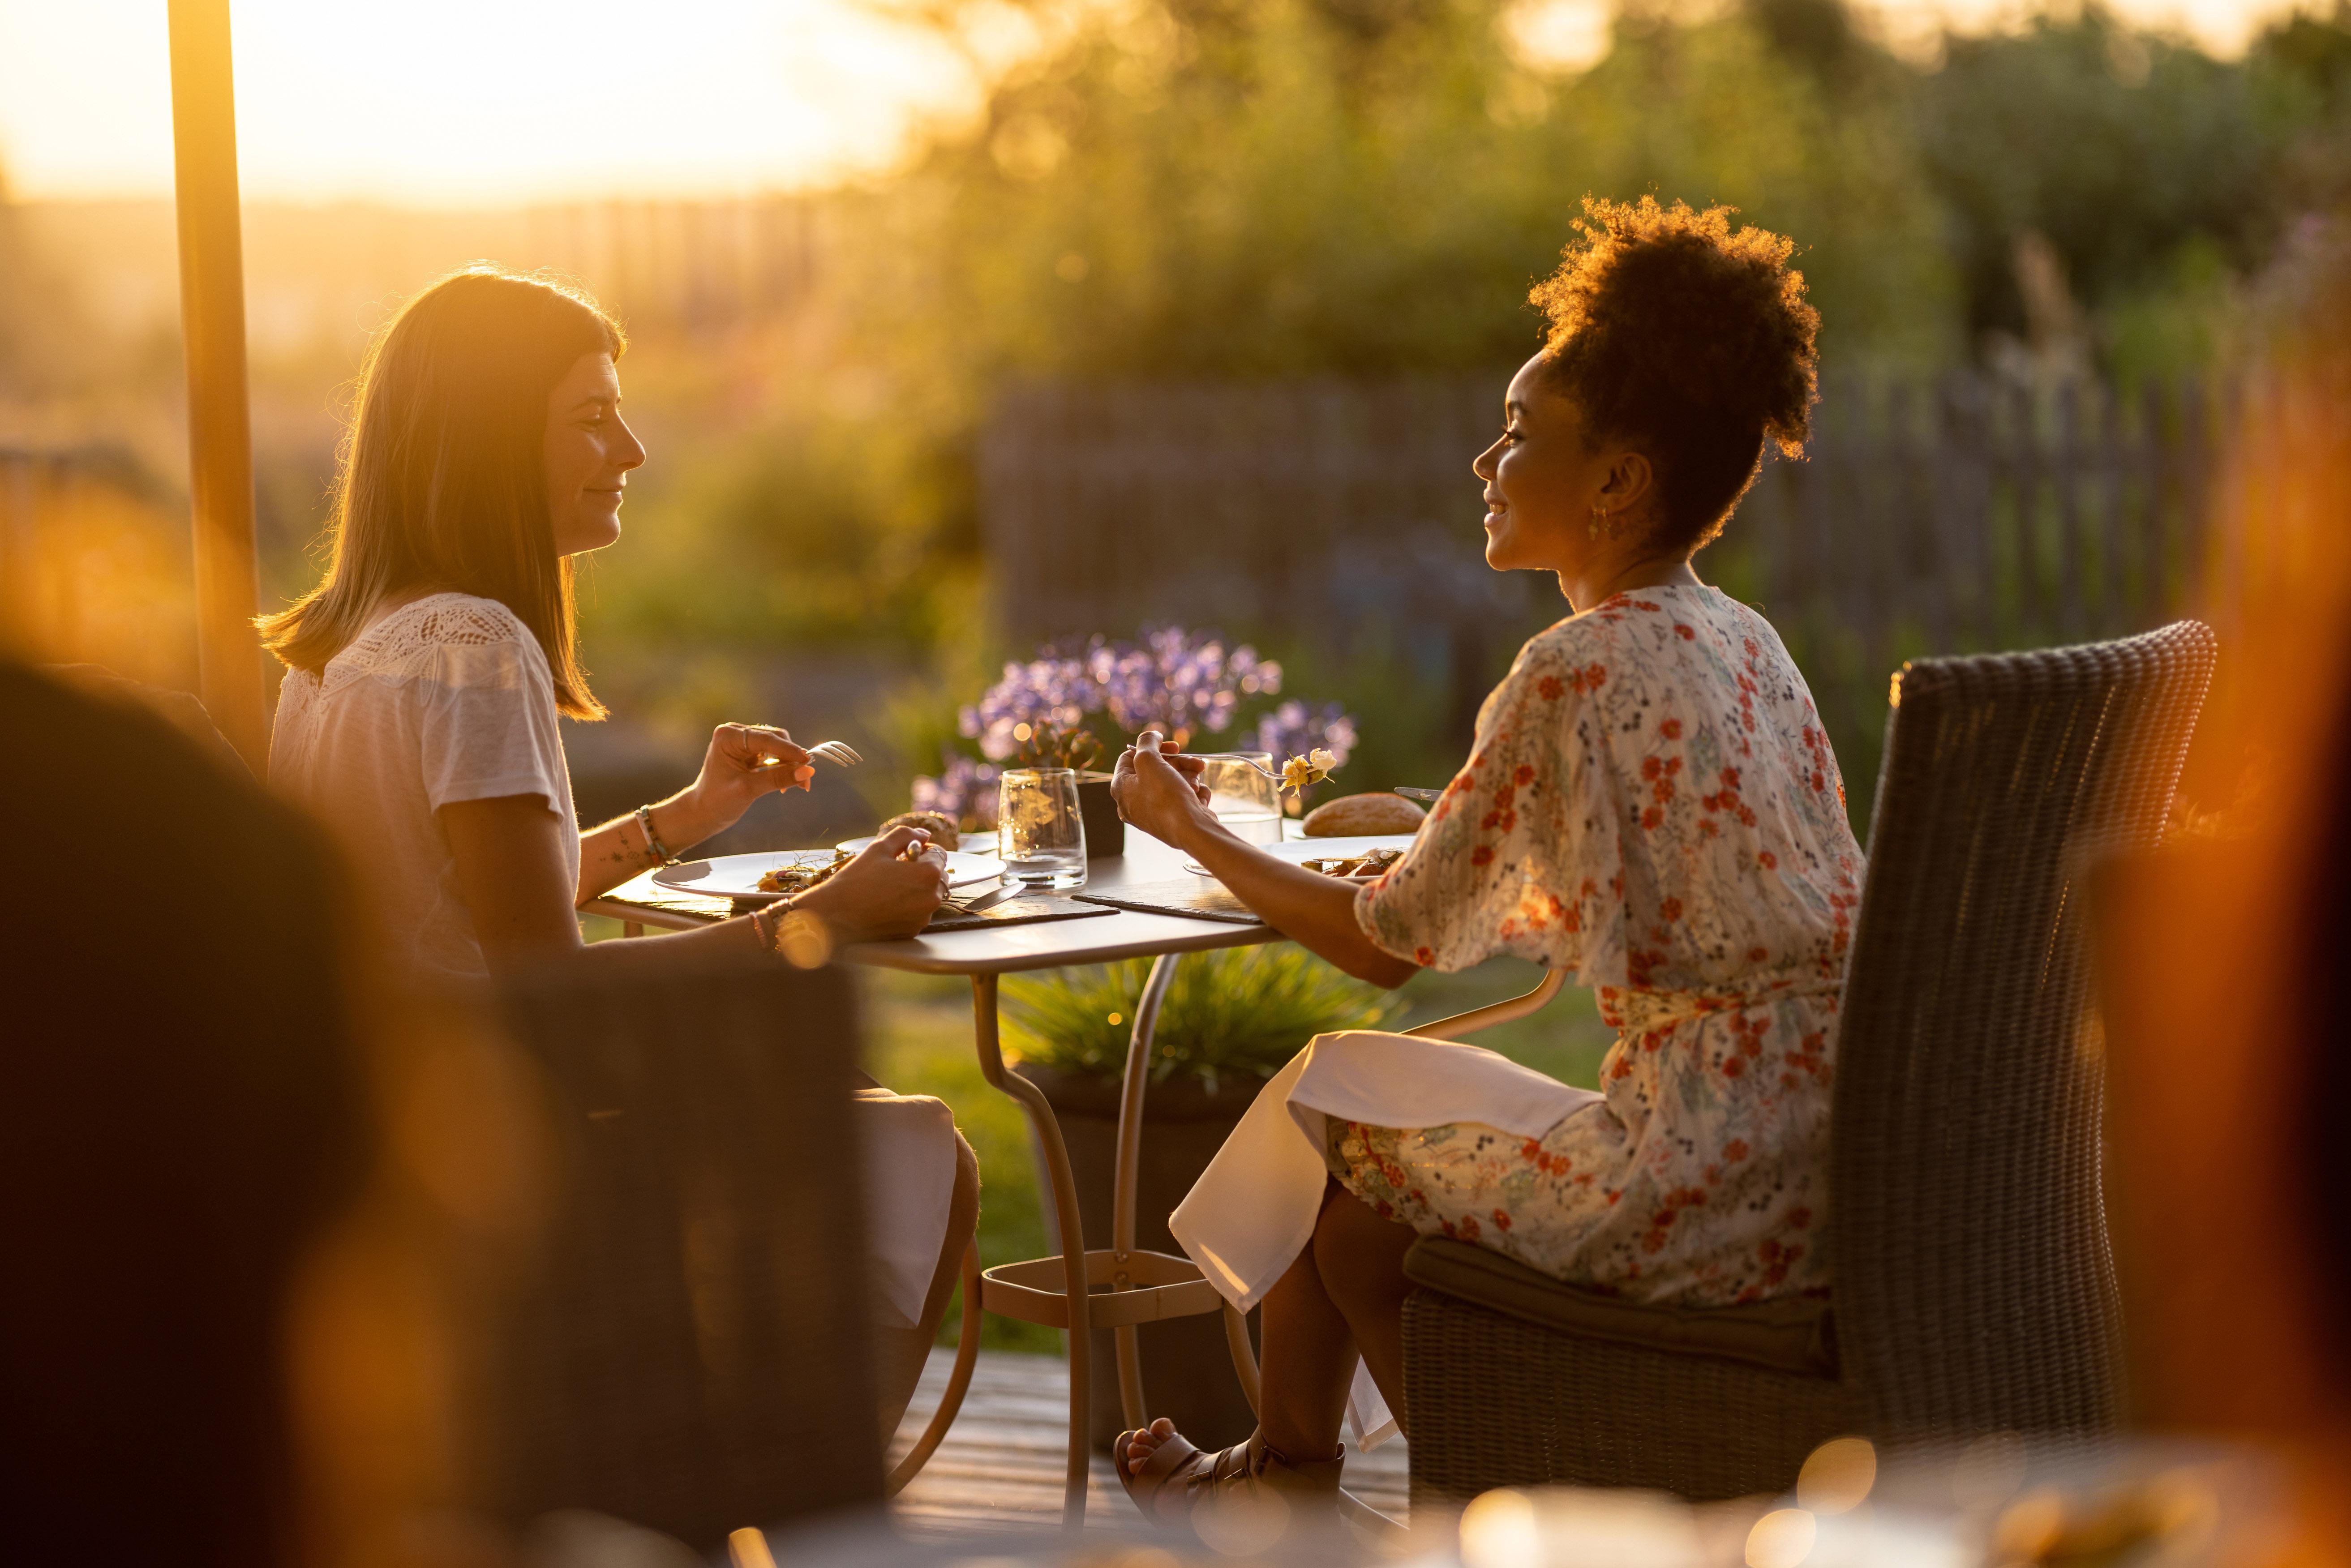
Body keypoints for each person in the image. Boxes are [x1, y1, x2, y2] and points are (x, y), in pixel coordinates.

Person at [1107, 197, 1859, 1520]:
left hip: (1688, 1178)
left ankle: (1468, 1497)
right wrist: (1425, 811)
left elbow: (1384, 949)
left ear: (1617, 481)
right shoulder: (1740, 641)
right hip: (1810, 1154)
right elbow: (1652, 861)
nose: (1483, 461)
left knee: (1338, 1115)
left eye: (1518, 435)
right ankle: (1291, 1472)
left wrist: (1190, 828)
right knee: (1356, 1170)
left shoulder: (1568, 666)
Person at [257, 266, 976, 1438]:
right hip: (531, 1147)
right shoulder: (477, 645)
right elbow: (548, 993)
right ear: (486, 440)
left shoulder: (344, 651)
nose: (632, 449)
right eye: (591, 418)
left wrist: (677, 821)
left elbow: (445, 908)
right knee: (917, 1153)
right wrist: (826, 916)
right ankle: (786, 1494)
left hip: (408, 1123)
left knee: (882, 1135)